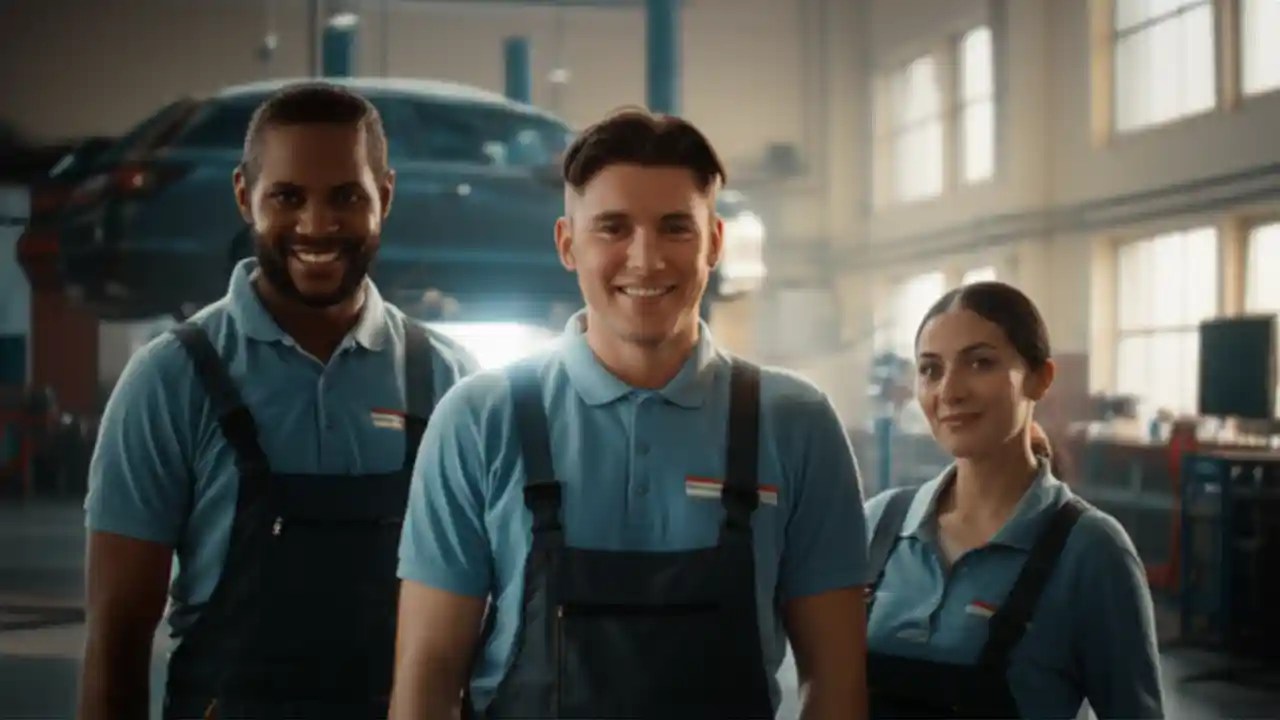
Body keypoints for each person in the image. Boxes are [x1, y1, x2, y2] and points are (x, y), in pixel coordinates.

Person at [390, 109, 870, 720]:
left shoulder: (797, 423)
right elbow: (426, 681)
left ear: (715, 242)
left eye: (675, 228)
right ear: (567, 244)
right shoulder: (480, 420)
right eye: (613, 228)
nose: (645, 260)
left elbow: (836, 687)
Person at [78, 82, 478, 720]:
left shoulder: (451, 383)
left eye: (346, 196)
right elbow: (116, 640)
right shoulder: (169, 380)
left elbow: (489, 624)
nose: (317, 226)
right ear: (245, 196)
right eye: (287, 197)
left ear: (386, 197)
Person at [862, 281, 1164, 719]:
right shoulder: (880, 526)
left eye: (980, 363)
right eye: (930, 369)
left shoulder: (1090, 551)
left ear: (1040, 379)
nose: (950, 391)